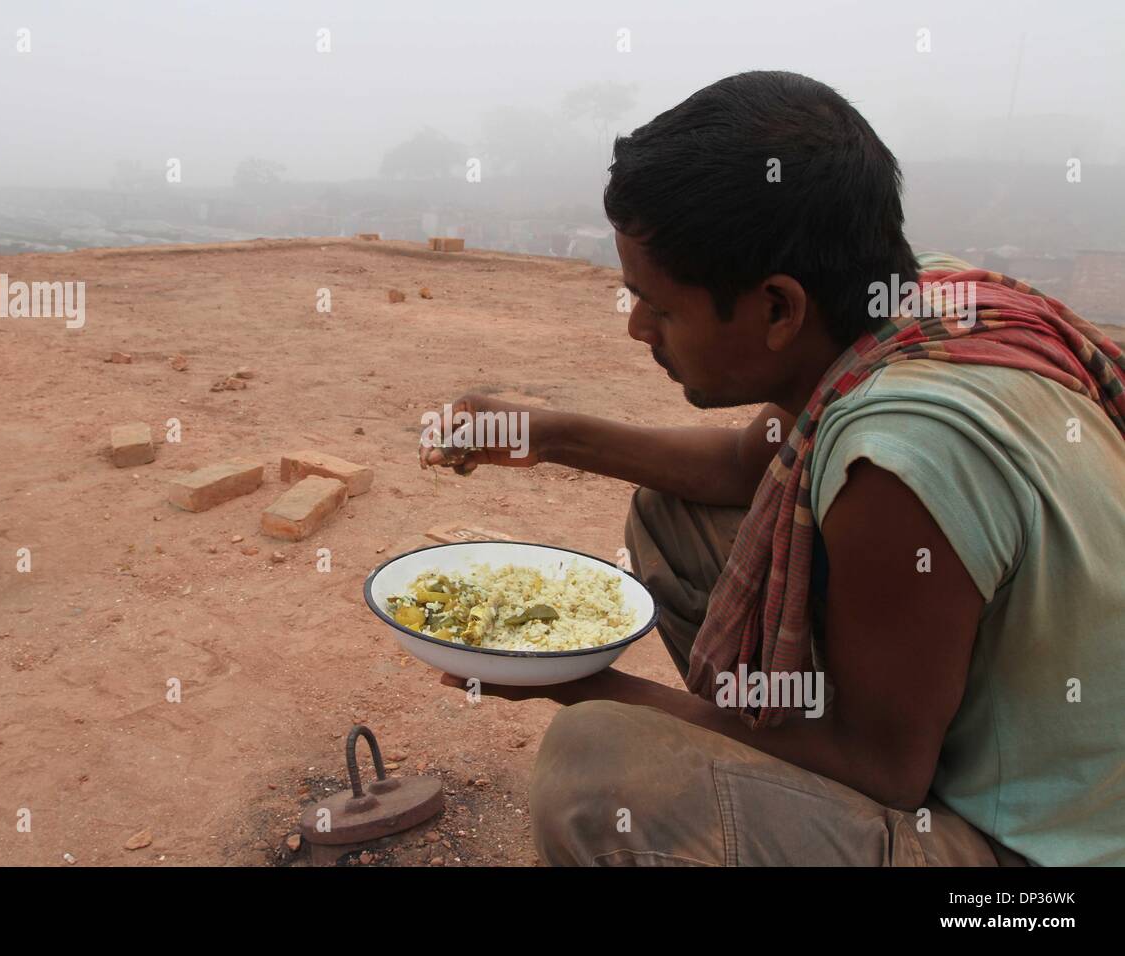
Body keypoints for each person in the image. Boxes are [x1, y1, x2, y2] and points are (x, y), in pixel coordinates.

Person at [423, 71, 1125, 866]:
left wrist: (577, 681)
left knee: (597, 775)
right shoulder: (908, 301)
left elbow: (884, 769)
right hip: (970, 738)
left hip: (1041, 857)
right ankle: (768, 752)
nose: (638, 330)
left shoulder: (898, 462)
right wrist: (543, 434)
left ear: (779, 309)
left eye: (658, 305)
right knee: (673, 517)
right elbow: (735, 465)